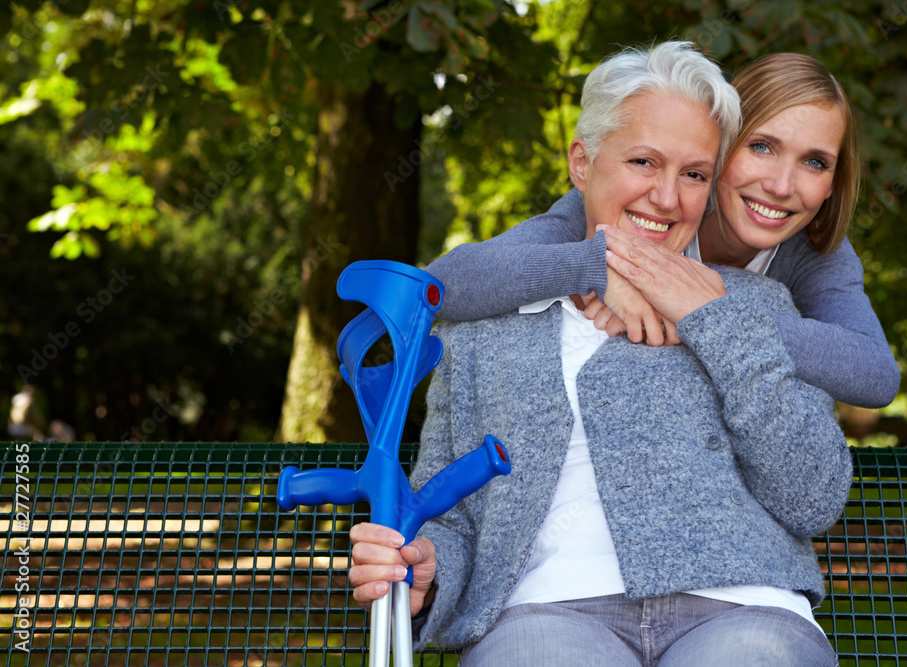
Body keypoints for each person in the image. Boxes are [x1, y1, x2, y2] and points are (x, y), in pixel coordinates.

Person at [349, 42, 851, 666]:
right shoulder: (486, 326)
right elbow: (447, 512)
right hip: (546, 615)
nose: (667, 198)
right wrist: (426, 567)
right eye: (644, 161)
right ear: (582, 164)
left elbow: (815, 495)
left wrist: (713, 322)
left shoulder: (756, 306)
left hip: (745, 610)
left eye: (694, 174)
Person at [424, 52, 899, 410]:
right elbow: (445, 284)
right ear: (720, 146)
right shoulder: (626, 203)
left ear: (835, 182)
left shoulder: (815, 246)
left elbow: (874, 373)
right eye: (761, 147)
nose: (780, 185)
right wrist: (596, 267)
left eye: (815, 162)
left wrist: (701, 311)